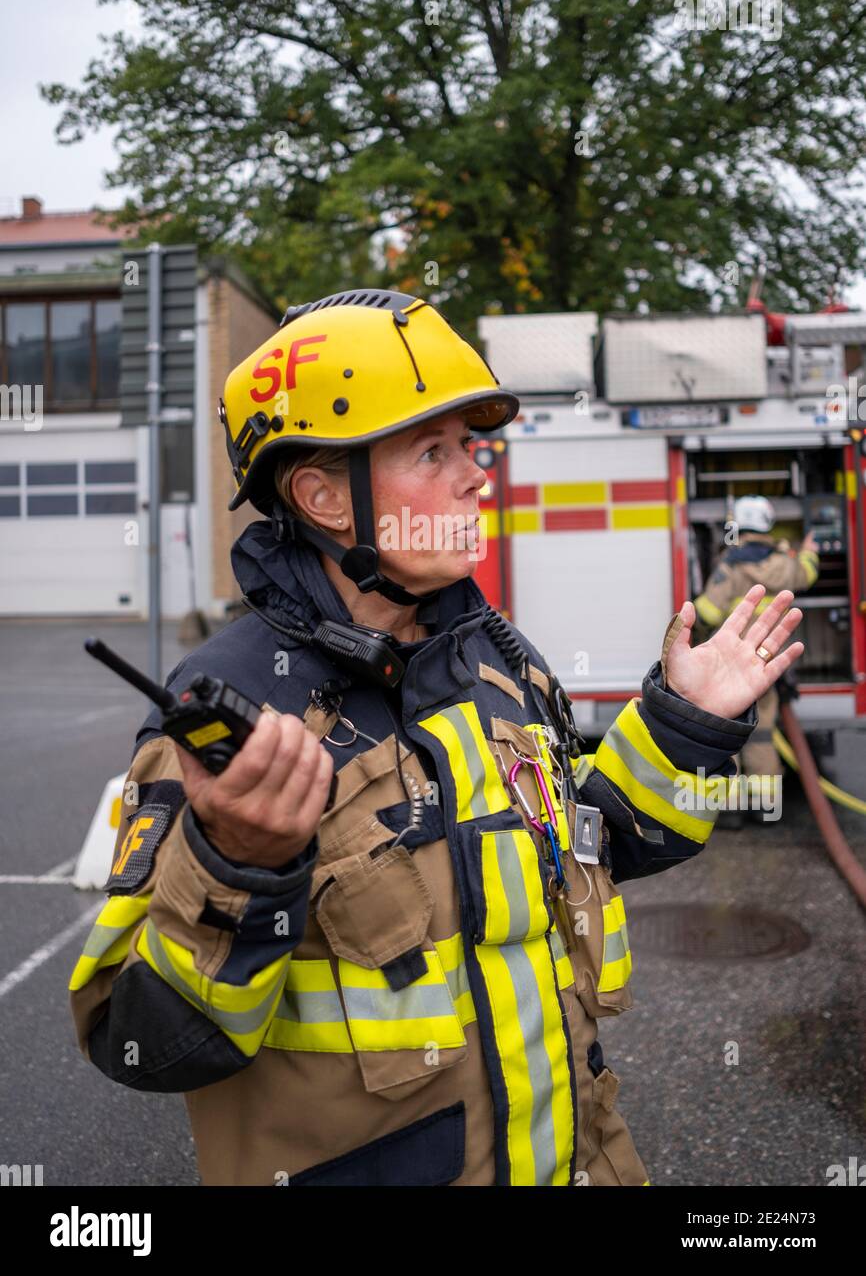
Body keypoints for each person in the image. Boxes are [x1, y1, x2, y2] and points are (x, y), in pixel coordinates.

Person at [69, 290, 805, 1187]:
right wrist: (239, 864)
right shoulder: (235, 720)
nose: (476, 475)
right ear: (324, 496)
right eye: (434, 450)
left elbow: (584, 848)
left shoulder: (493, 667)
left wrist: (681, 729)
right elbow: (142, 1043)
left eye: (471, 445)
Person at [693, 495, 818, 828]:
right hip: (769, 666)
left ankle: (730, 811)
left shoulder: (731, 564)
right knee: (762, 734)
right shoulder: (783, 560)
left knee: (727, 734)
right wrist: (809, 549)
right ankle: (765, 808)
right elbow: (806, 573)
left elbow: (707, 611)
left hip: (734, 667)